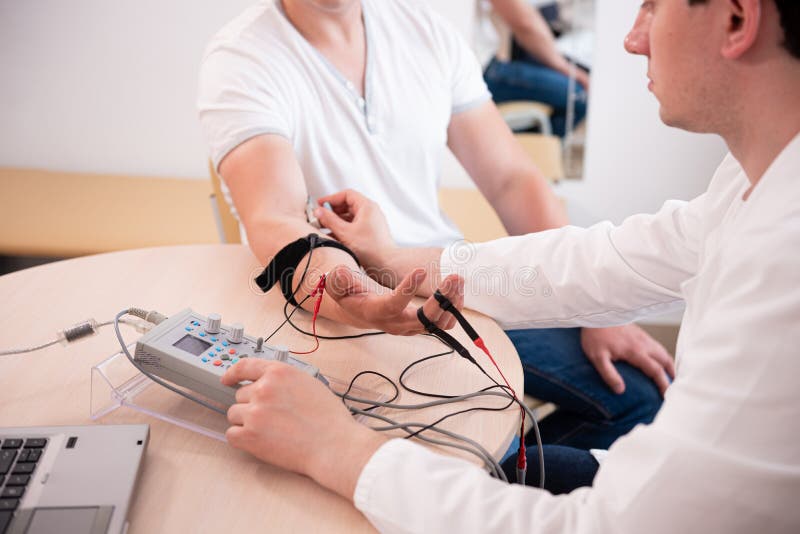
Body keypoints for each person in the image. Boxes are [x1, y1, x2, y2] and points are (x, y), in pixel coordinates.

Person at [220, 0, 800, 531]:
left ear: (734, 20)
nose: (632, 39)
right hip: (405, 281)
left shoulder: (781, 271)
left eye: (652, 5)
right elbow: (605, 260)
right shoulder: (750, 180)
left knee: (628, 396)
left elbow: (602, 525)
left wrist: (340, 451)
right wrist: (393, 263)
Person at [197, 0, 670, 456]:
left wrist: (595, 307)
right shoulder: (244, 55)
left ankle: (479, 489)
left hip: (444, 276)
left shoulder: (428, 33)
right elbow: (275, 217)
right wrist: (363, 299)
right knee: (457, 432)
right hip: (331, 307)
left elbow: (511, 179)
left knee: (639, 396)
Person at [473, 0, 590, 137]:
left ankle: (513, 145)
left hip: (486, 66)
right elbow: (524, 23)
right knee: (578, 97)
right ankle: (514, 147)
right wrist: (567, 69)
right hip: (484, 73)